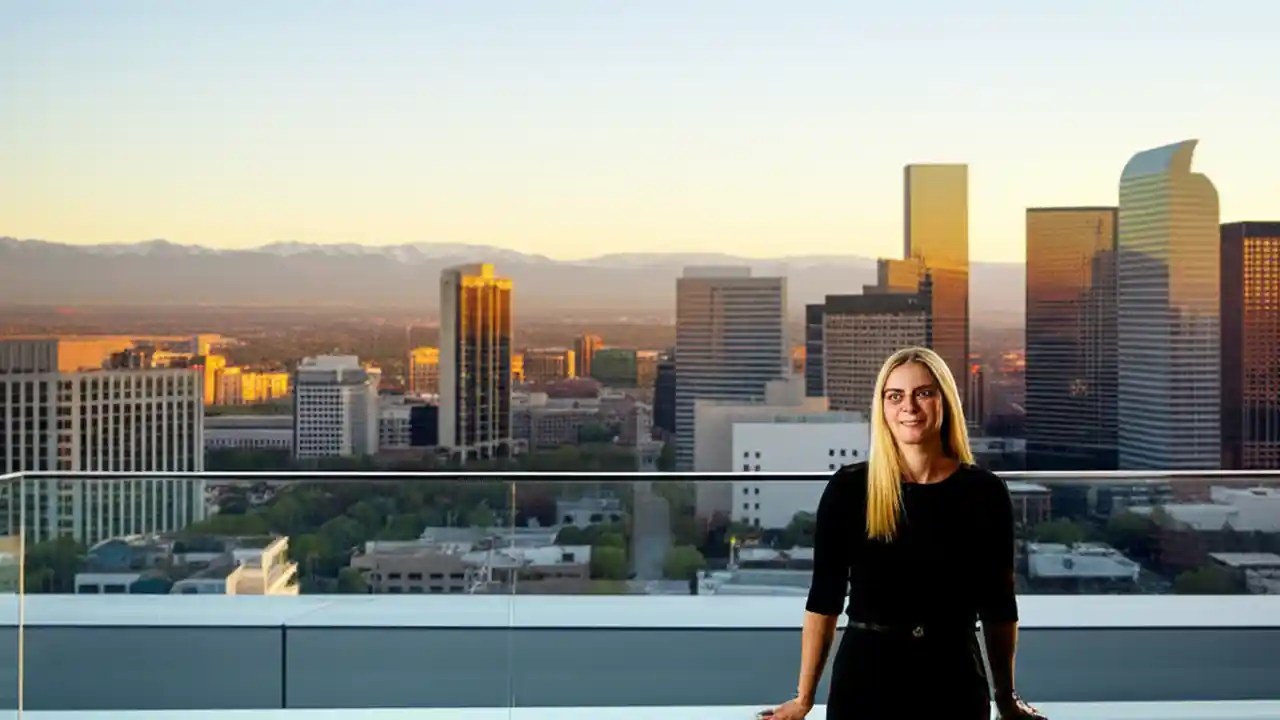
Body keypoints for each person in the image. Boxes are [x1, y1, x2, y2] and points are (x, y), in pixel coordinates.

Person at [765, 347, 1046, 720]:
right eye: (895, 396)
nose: (909, 407)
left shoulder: (984, 492)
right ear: (882, 407)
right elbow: (824, 600)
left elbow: (999, 607)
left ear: (945, 401)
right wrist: (804, 699)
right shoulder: (850, 487)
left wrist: (1006, 699)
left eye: (923, 393)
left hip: (954, 679)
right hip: (865, 681)